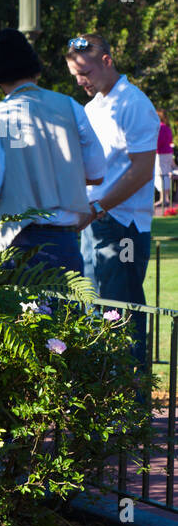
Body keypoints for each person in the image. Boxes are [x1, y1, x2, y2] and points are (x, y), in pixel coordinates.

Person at [0, 29, 104, 275]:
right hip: (65, 245)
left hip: (13, 246)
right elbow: (97, 172)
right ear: (37, 71)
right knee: (66, 314)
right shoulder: (72, 108)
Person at [67, 33, 161, 366]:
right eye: (76, 76)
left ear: (107, 61)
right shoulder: (92, 108)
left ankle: (132, 414)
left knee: (122, 324)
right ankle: (106, 411)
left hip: (122, 227)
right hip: (96, 222)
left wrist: (95, 208)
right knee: (96, 322)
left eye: (86, 73)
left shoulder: (134, 104)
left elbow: (142, 170)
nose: (81, 82)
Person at [155, 109, 173, 211]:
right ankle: (166, 198)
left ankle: (163, 199)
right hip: (168, 152)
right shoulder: (166, 128)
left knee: (161, 175)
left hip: (161, 153)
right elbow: (170, 140)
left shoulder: (159, 128)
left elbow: (158, 142)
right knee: (166, 174)